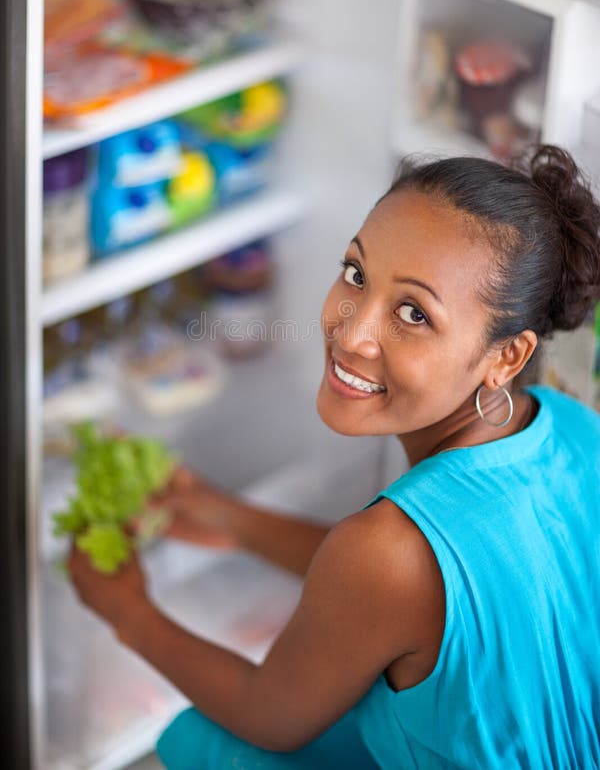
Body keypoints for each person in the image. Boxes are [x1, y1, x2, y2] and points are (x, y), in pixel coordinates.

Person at [69, 145, 600, 769]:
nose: (350, 333)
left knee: (200, 740)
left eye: (413, 313)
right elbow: (413, 597)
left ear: (506, 355)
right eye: (356, 273)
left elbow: (271, 714)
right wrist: (227, 517)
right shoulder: (571, 424)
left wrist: (125, 610)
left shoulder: (385, 553)